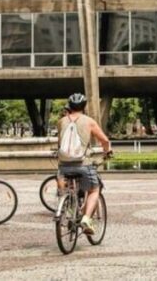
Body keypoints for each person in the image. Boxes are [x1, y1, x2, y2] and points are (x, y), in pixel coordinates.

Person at [57, 93, 112, 234]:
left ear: (69, 106)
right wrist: (108, 151)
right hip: (83, 164)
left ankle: (67, 203)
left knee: (65, 186)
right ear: (84, 106)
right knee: (94, 189)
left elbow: (60, 142)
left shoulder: (62, 121)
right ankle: (86, 219)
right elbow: (105, 141)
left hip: (63, 165)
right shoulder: (89, 121)